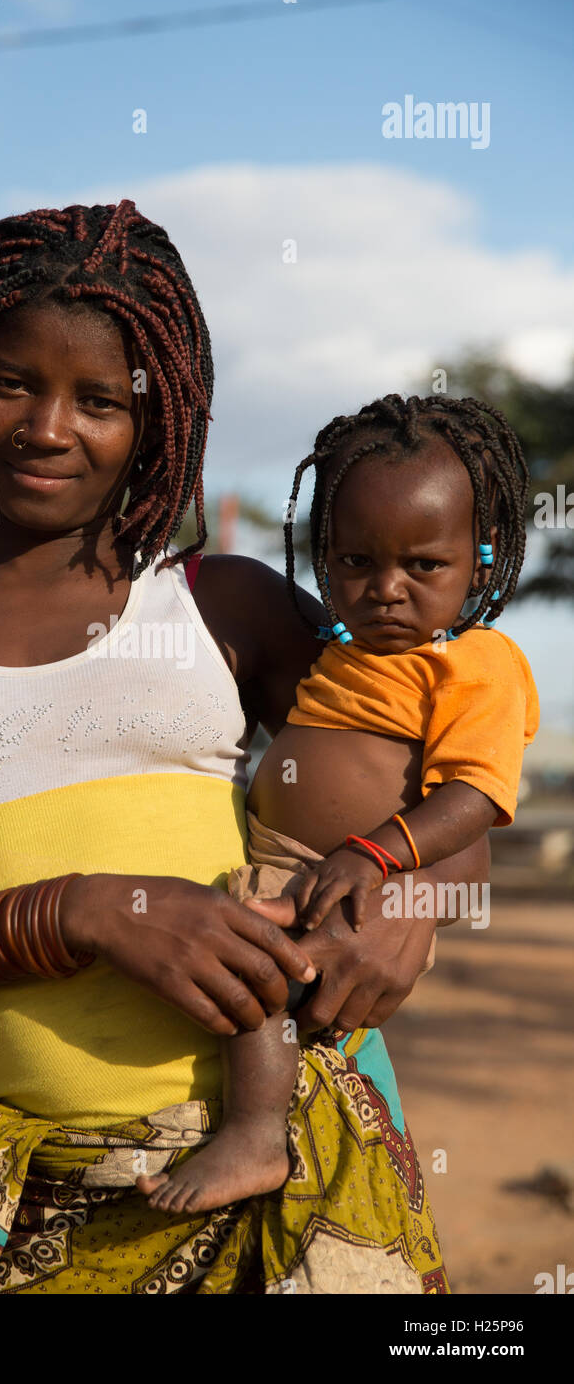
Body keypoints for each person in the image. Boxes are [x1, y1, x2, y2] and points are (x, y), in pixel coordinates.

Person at [0, 201, 487, 1294]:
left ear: (157, 417)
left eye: (100, 399)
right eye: (9, 381)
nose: (48, 428)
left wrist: (416, 899)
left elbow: (446, 764)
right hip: (31, 1209)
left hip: (293, 1174)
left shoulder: (221, 606)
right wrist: (84, 912)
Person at [136, 393, 539, 1216]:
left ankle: (255, 1139)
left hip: (356, 883)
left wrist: (378, 853)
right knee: (243, 973)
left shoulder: (476, 663)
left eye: (423, 566)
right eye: (355, 562)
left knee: (267, 985)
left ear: (480, 562)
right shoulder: (339, 650)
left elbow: (476, 794)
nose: (385, 589)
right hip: (295, 869)